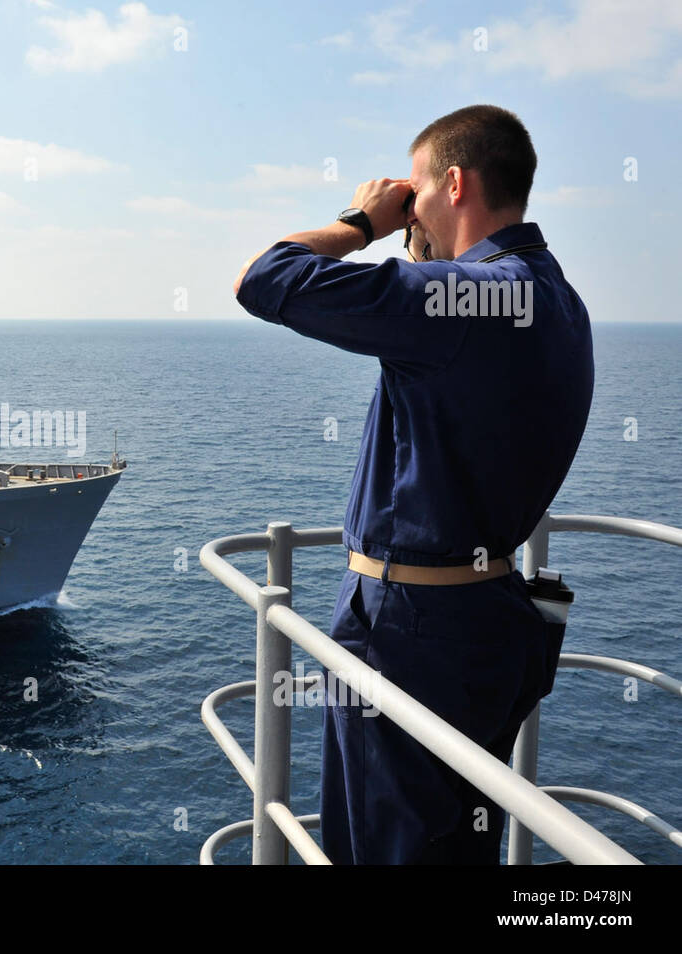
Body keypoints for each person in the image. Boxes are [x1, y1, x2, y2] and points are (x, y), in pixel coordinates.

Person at [233, 104, 593, 864]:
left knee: (387, 845)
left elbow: (265, 279)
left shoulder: (461, 299)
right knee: (455, 842)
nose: (408, 220)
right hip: (493, 617)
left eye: (416, 196)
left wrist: (360, 220)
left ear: (455, 184)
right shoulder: (561, 301)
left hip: (414, 626)